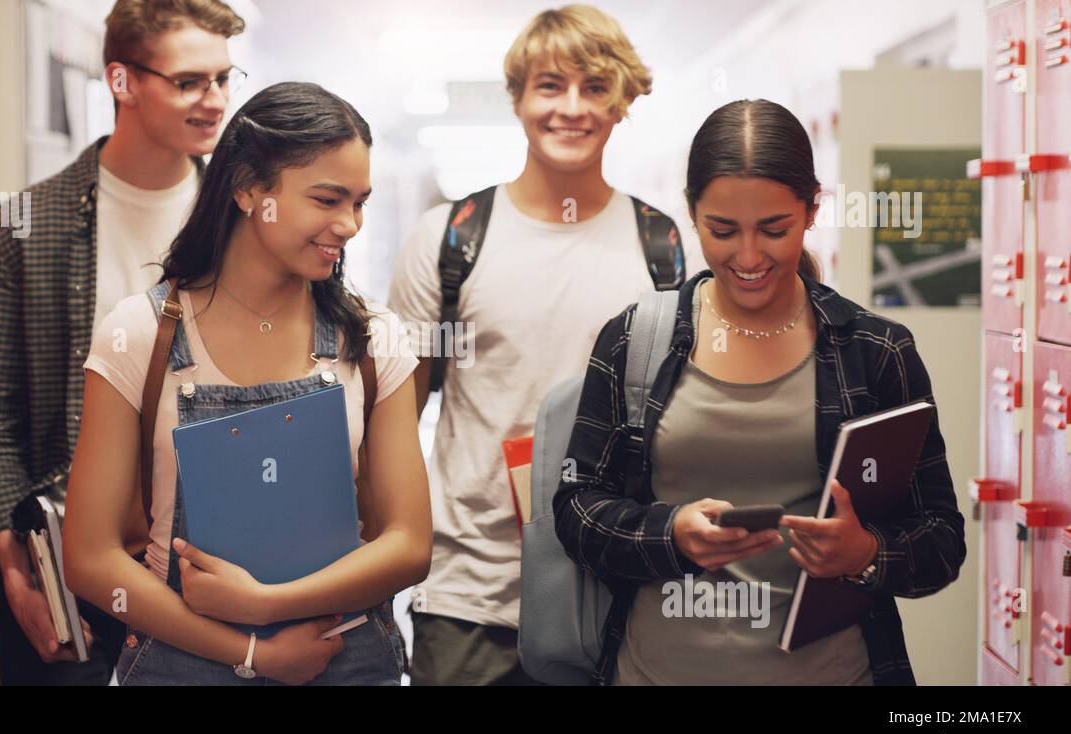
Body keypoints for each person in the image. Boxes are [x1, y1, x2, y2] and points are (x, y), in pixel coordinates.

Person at [553, 98, 967, 686]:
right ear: (692, 214)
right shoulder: (634, 340)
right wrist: (668, 534)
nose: (748, 258)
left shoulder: (875, 352)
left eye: (775, 229)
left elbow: (942, 541)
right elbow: (574, 509)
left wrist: (867, 554)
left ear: (813, 209)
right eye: (722, 231)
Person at [63, 81, 431, 686]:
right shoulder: (139, 334)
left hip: (341, 656)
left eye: (360, 202)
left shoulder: (371, 340)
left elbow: (410, 545)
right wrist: (253, 654)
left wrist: (265, 606)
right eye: (327, 199)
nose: (349, 224)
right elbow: (89, 557)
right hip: (180, 659)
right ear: (247, 189)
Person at [387, 4, 682, 685]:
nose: (571, 108)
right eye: (550, 85)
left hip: (615, 589)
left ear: (622, 101)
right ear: (517, 98)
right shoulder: (451, 238)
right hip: (469, 594)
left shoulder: (664, 247)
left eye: (595, 86)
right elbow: (394, 422)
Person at [0, 0, 245, 685]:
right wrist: (17, 572)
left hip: (210, 567)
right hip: (69, 580)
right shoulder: (31, 225)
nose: (216, 101)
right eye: (189, 82)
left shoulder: (241, 221)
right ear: (121, 81)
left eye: (225, 79)